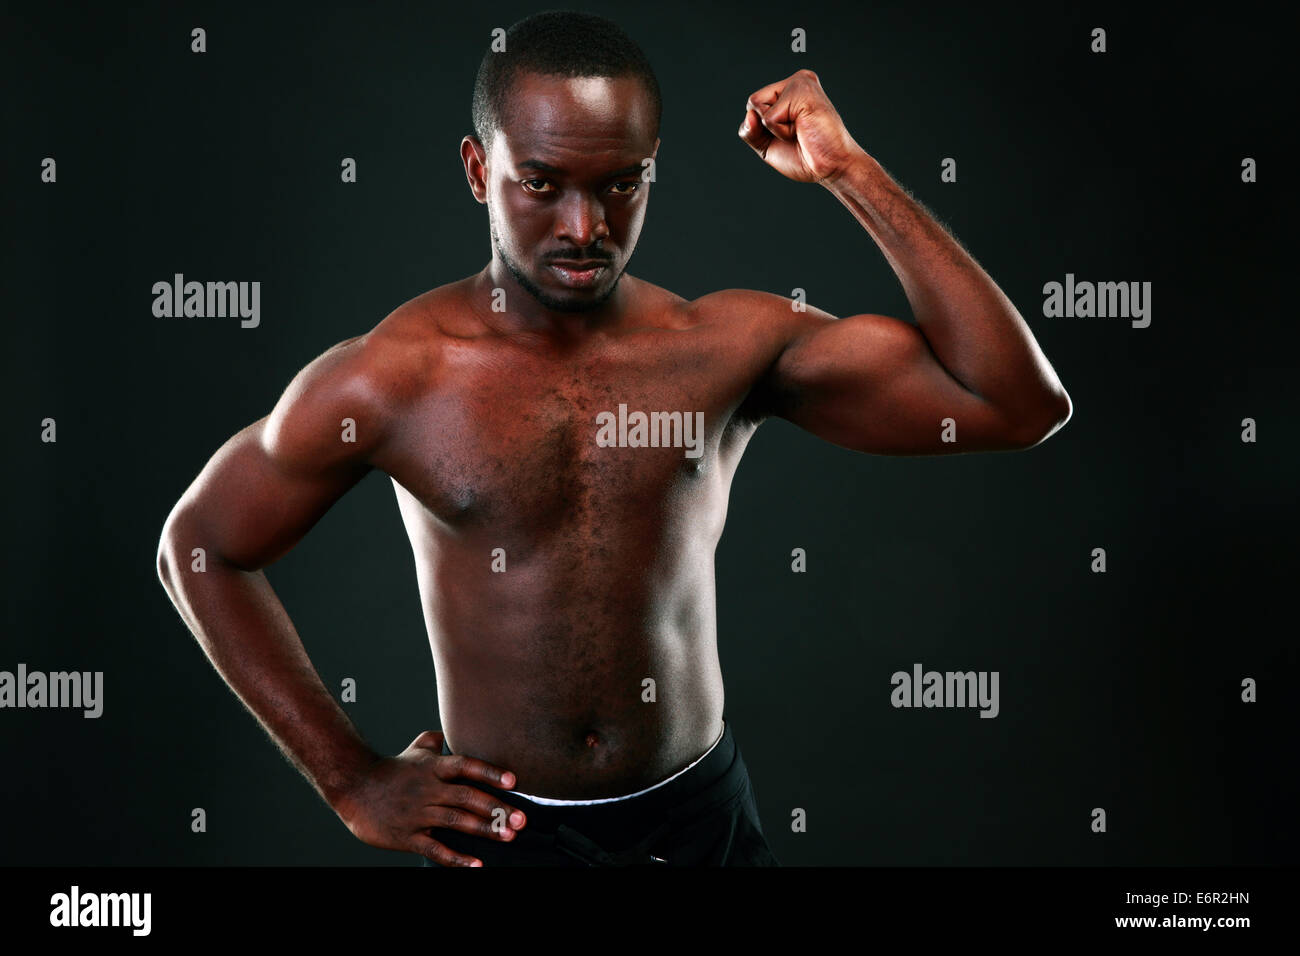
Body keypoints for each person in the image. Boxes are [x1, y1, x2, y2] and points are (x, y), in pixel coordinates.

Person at [156, 10, 1071, 867]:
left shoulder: (728, 347)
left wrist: (848, 171)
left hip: (701, 819)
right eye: (542, 184)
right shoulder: (391, 377)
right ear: (480, 170)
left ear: (652, 169)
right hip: (505, 835)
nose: (584, 228)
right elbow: (197, 546)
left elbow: (1014, 404)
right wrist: (349, 776)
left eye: (620, 184)